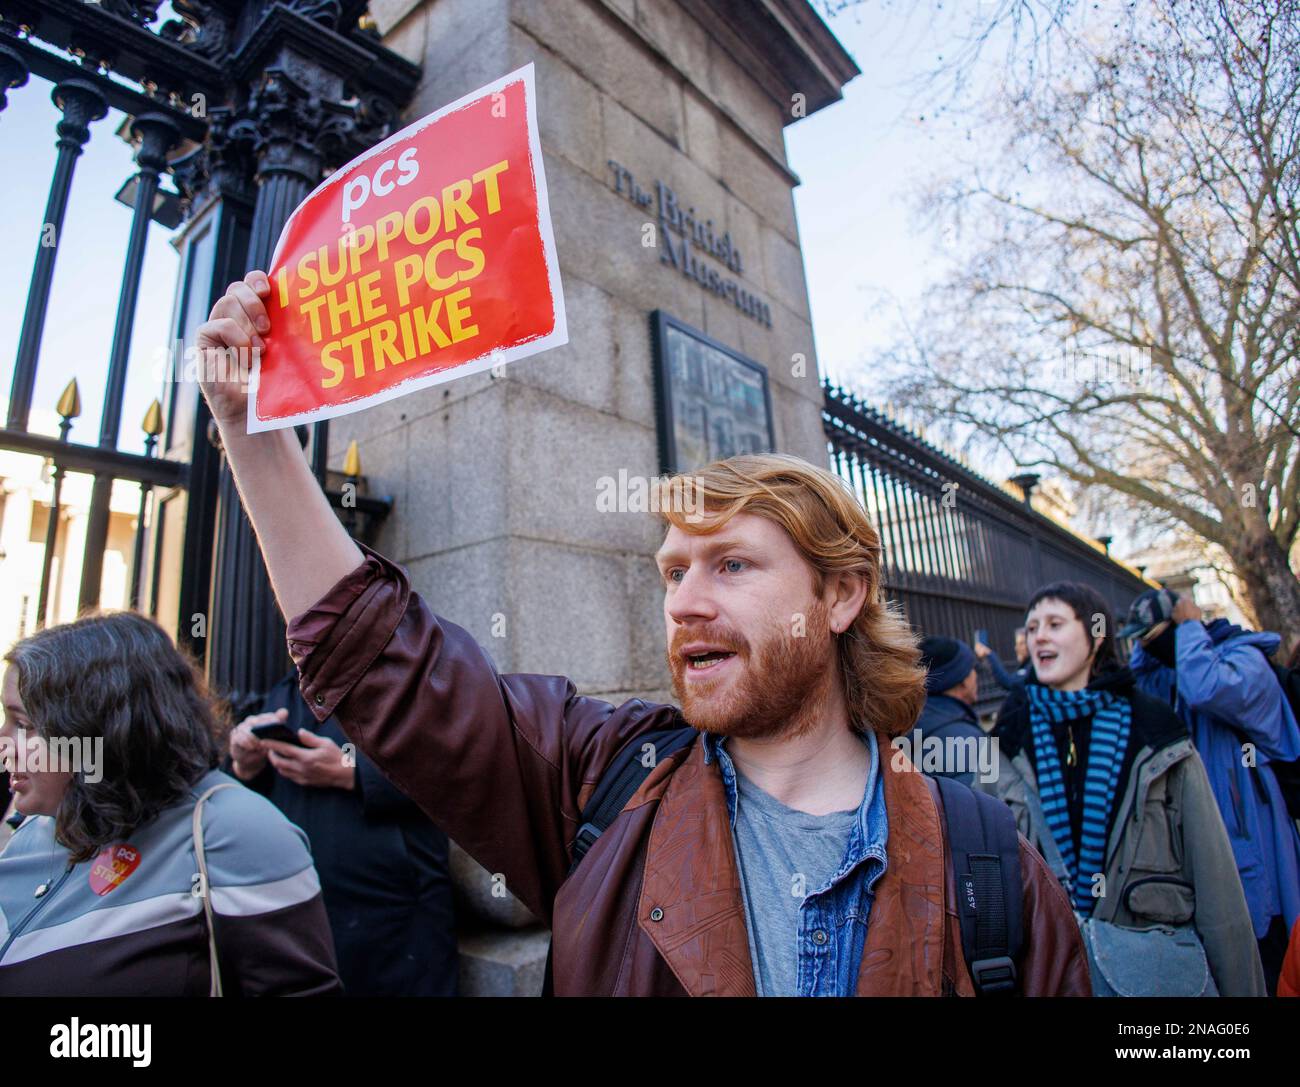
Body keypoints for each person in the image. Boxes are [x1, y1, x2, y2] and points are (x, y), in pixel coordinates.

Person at [189, 270, 1091, 997]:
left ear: (842, 595)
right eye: (672, 571)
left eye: (731, 565)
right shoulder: (606, 784)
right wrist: (250, 433)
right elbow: (392, 665)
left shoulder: (987, 868)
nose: (685, 601)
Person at [0, 612, 342, 996]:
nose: (4, 743)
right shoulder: (33, 831)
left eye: (23, 724)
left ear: (99, 729)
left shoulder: (231, 831)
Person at [981, 581, 1265, 996]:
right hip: (1054, 977)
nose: (1038, 635)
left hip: (1159, 978)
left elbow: (1215, 878)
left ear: (1096, 637)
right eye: (1033, 626)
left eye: (1055, 623)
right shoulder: (1006, 741)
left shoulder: (1154, 731)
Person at [229, 672, 459, 995]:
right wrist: (244, 767)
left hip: (397, 934)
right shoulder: (284, 692)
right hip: (312, 926)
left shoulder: (413, 676)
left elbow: (455, 777)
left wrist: (351, 771)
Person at [1124, 587, 1300, 995]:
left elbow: (1207, 688)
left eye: (1153, 637)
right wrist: (1158, 640)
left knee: (1270, 950)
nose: (1149, 646)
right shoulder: (1181, 665)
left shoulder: (1245, 661)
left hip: (1258, 838)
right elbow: (1144, 684)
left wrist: (1186, 627)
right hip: (1214, 844)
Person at [903, 636, 987, 785]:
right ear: (963, 680)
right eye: (972, 668)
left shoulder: (902, 725)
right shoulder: (967, 740)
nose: (976, 675)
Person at [977, 626, 1031, 691]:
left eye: (1021, 644)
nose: (1016, 648)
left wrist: (989, 654)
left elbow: (1009, 683)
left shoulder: (1032, 668)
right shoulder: (1025, 666)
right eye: (1016, 644)